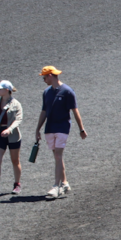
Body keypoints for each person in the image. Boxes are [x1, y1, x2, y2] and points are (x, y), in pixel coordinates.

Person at [34, 66, 87, 200]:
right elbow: (44, 111)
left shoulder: (67, 91)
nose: (44, 80)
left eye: (44, 77)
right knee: (57, 157)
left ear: (50, 76)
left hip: (62, 127)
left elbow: (75, 111)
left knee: (58, 156)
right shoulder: (46, 92)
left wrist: (81, 129)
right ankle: (65, 183)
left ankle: (56, 186)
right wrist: (38, 129)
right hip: (49, 128)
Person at [0, 80, 23, 197]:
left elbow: (18, 119)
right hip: (0, 135)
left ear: (7, 90)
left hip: (13, 136)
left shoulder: (16, 104)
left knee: (15, 160)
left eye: (0, 88)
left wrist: (9, 129)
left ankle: (17, 184)